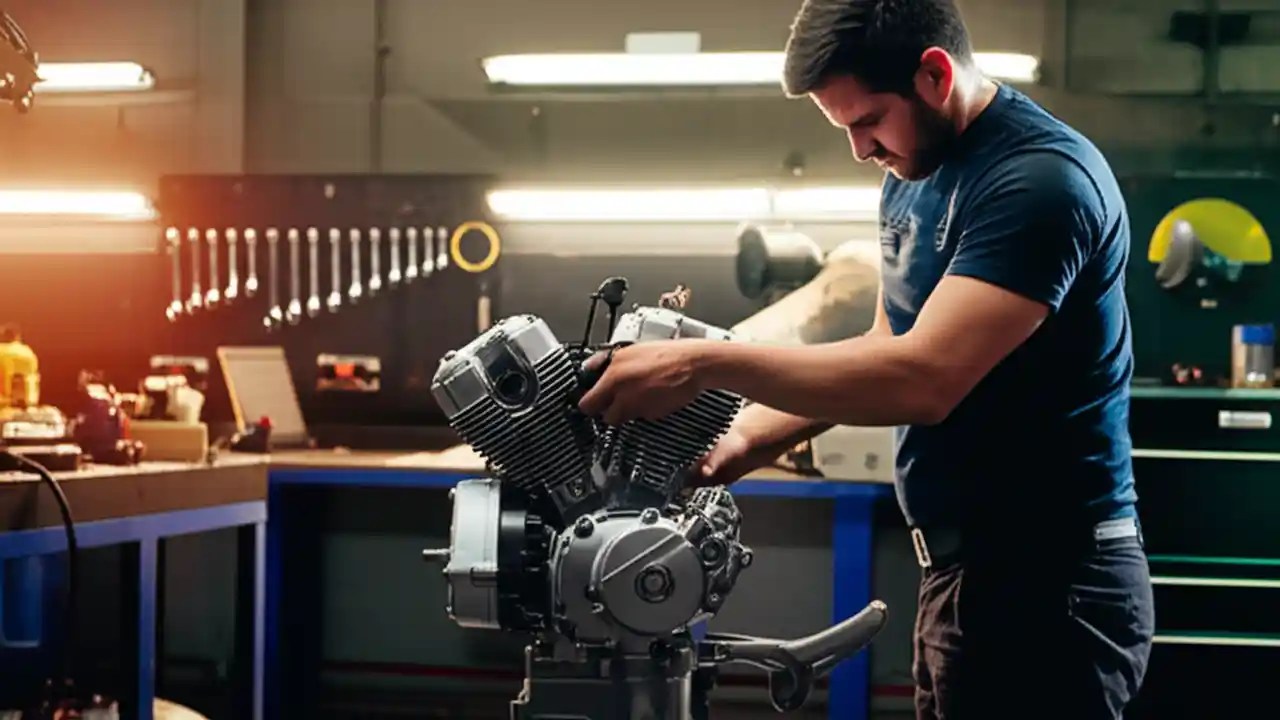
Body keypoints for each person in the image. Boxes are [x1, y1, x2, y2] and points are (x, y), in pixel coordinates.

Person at [577, 0, 1155, 717]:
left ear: (935, 75)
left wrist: (701, 364)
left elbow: (925, 378)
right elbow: (885, 348)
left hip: (1047, 587)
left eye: (868, 120)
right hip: (966, 576)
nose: (860, 149)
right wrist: (745, 440)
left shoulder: (1039, 183)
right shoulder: (912, 176)